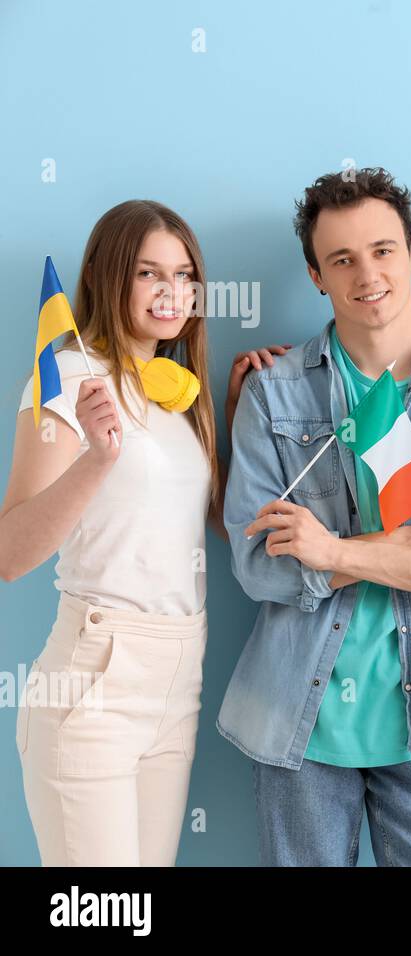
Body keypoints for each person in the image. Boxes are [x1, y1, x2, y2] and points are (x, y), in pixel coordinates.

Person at [219, 167, 411, 866]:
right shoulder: (273, 395)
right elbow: (257, 568)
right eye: (343, 259)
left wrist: (331, 554)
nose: (368, 274)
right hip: (297, 722)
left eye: (383, 250)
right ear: (315, 275)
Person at [2, 199, 287, 865]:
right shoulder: (72, 378)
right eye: (149, 273)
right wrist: (101, 458)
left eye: (185, 275)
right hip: (96, 681)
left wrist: (235, 415)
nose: (172, 292)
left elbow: (214, 525)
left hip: (178, 681)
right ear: (106, 275)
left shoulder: (175, 395)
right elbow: (11, 553)